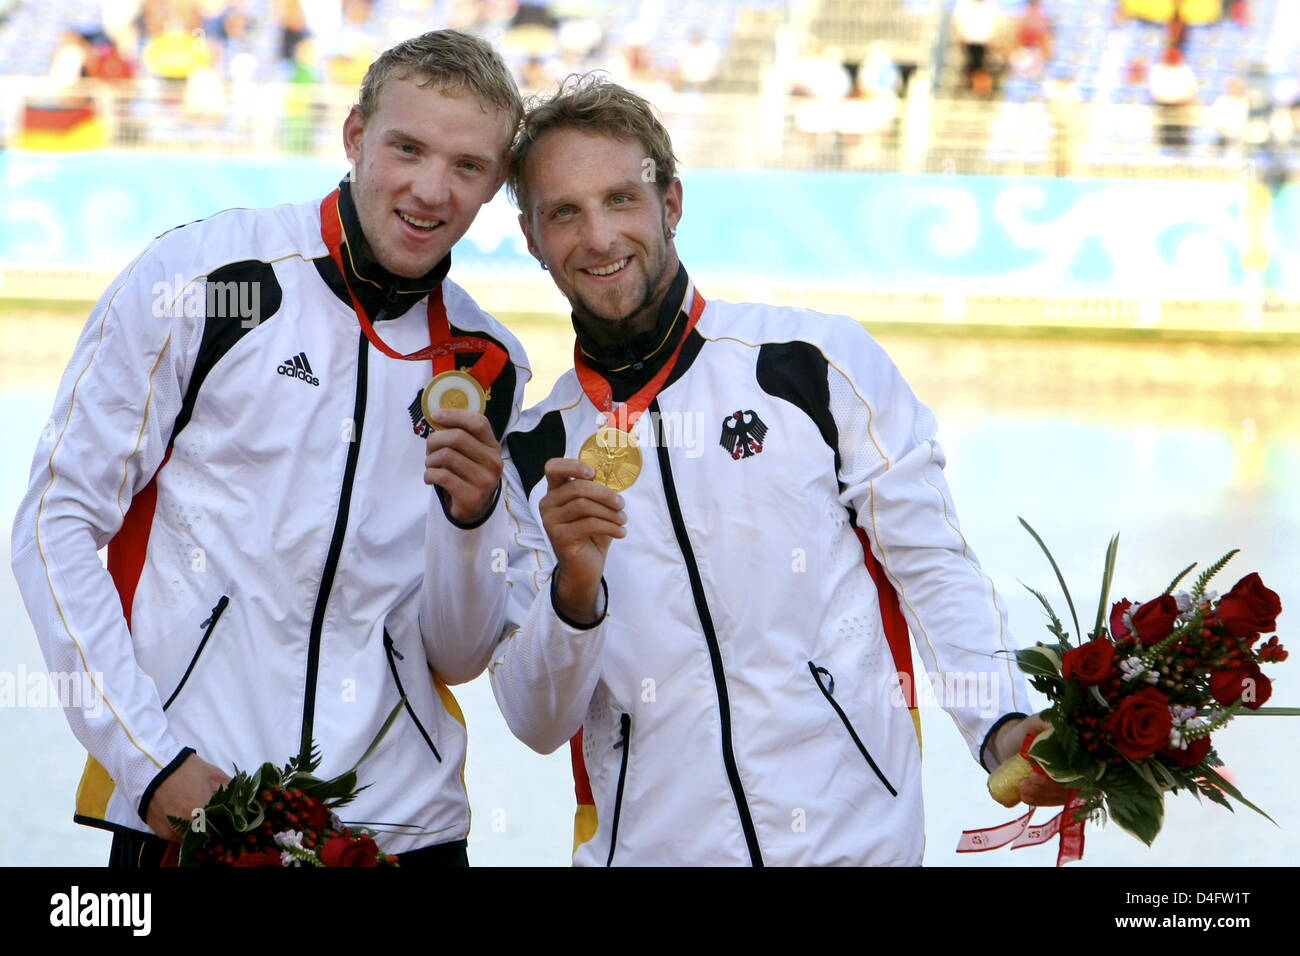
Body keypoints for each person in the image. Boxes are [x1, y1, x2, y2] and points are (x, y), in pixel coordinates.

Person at [486, 75, 1071, 866]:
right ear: (530, 235)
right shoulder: (530, 452)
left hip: (851, 848)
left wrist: (997, 721)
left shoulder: (812, 362)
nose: (598, 237)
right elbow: (533, 721)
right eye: (565, 211)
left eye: (621, 199)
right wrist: (574, 594)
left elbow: (931, 569)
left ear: (672, 202)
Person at [10, 29, 528, 867]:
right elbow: (54, 525)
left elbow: (460, 655)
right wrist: (151, 764)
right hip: (198, 803)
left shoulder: (489, 361)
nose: (431, 190)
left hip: (404, 830)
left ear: (496, 184)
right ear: (356, 134)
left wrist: (472, 526)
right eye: (407, 148)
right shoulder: (210, 275)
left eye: (468, 166)